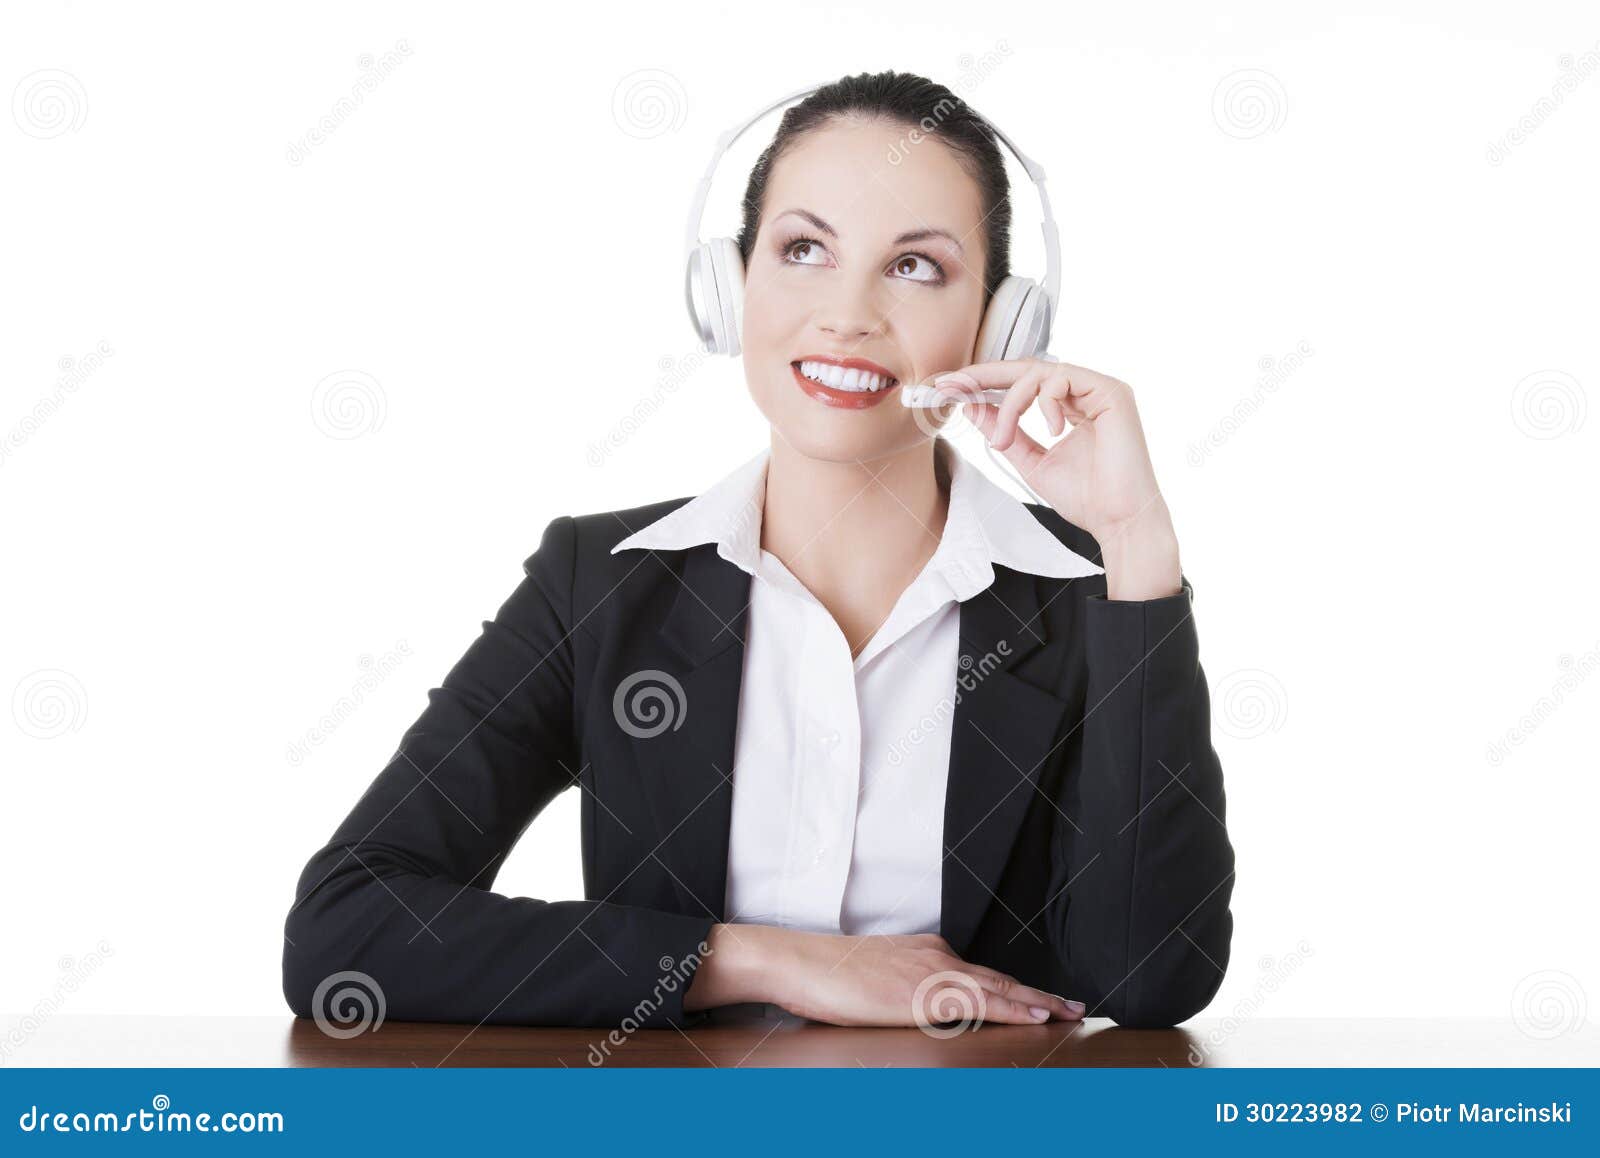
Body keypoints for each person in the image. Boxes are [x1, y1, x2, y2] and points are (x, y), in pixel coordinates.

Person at [282, 70, 1235, 1034]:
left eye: (915, 267)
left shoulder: (1084, 599)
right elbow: (346, 931)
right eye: (804, 249)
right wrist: (767, 960)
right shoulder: (602, 585)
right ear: (729, 290)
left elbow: (1152, 981)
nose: (849, 314)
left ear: (1000, 323)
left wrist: (1133, 544)